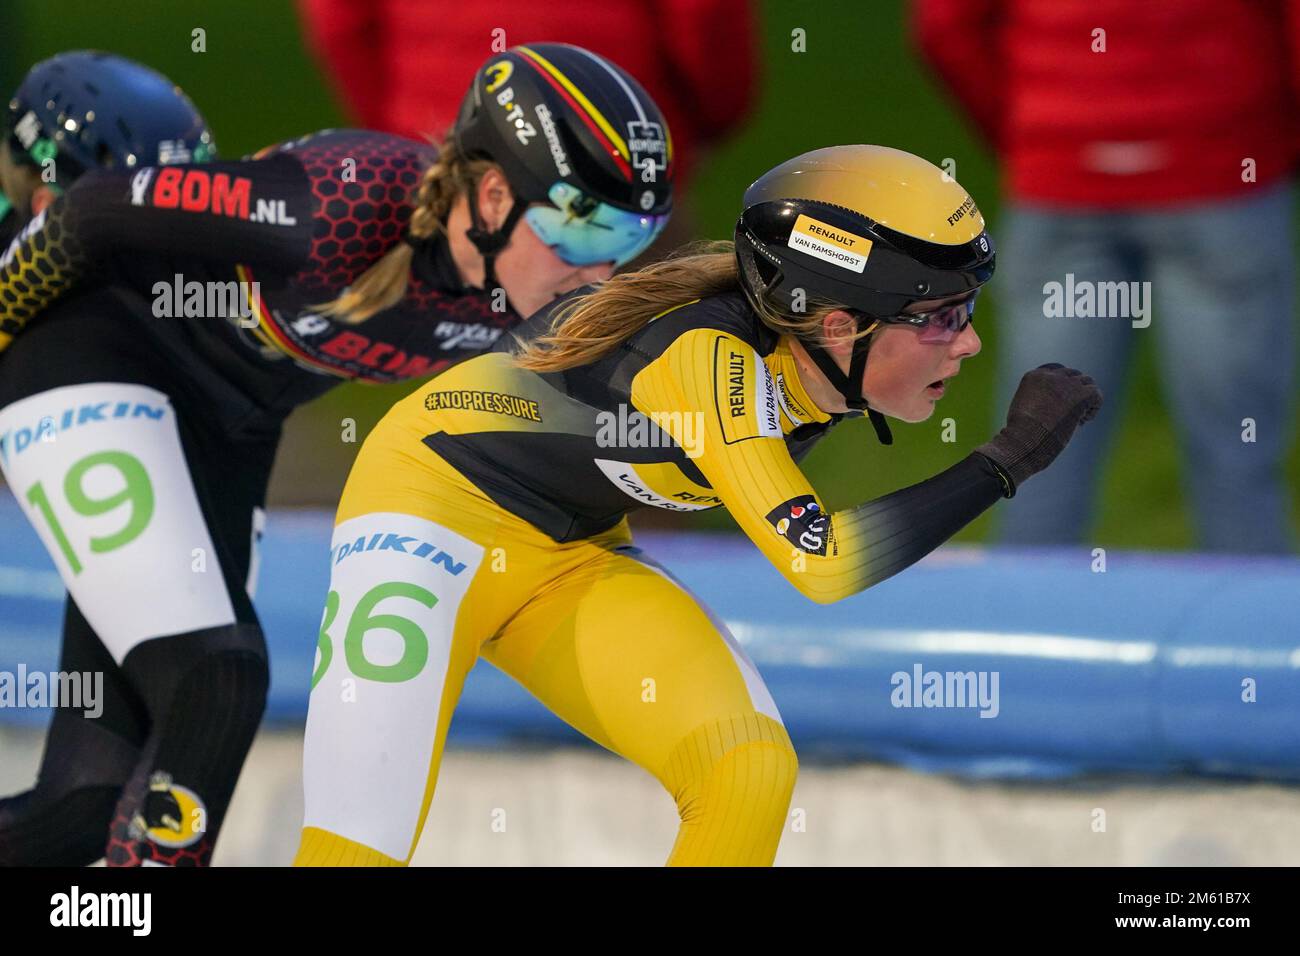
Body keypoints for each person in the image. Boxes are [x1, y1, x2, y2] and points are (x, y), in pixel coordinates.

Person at [294, 145, 1102, 867]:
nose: (969, 343)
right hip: (427, 509)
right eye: (940, 317)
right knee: (359, 843)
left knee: (744, 769)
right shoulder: (707, 360)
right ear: (836, 323)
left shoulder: (808, 358)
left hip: (568, 552)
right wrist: (1004, 462)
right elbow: (820, 564)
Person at [0, 43, 673, 866]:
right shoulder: (339, 204)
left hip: (226, 427)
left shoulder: (537, 291)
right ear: (493, 194)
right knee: (218, 677)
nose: (602, 268)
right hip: (100, 352)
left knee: (79, 811)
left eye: (635, 235)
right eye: (585, 225)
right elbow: (91, 212)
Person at [913, 0, 1298, 552]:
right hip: (1218, 168)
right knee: (1239, 458)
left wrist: (1036, 134)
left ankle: (1031, 626)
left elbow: (945, 25)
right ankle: (1251, 633)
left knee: (1035, 456)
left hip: (1066, 171)